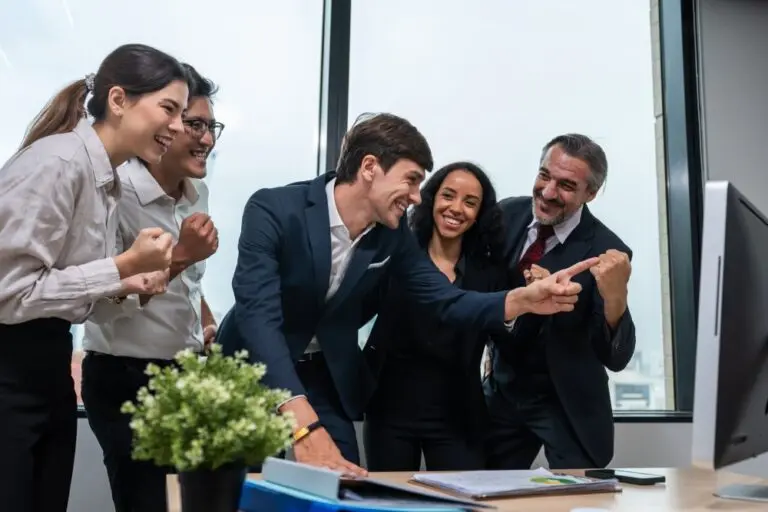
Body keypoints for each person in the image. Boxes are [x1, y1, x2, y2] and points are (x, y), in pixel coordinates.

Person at [216, 113, 600, 476]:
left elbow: (444, 299)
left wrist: (524, 299)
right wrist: (300, 423)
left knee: (342, 481)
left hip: (320, 372)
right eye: (411, 180)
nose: (418, 197)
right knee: (232, 485)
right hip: (251, 364)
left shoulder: (392, 235)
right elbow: (259, 317)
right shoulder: (275, 209)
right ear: (369, 168)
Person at [0, 43, 190, 512]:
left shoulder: (106, 178)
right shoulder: (60, 162)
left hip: (48, 365)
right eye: (169, 108)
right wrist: (123, 267)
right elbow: (8, 294)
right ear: (119, 100)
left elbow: (59, 283)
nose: (179, 127)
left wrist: (130, 283)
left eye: (183, 113)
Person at [81, 63, 222, 512]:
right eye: (194, 124)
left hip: (187, 377)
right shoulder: (116, 194)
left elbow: (186, 282)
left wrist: (204, 317)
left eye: (211, 125)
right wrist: (182, 255)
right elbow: (103, 303)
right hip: (126, 379)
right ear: (168, 126)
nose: (206, 138)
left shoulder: (193, 195)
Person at [484, 133, 636, 470]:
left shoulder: (608, 250)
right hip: (503, 391)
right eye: (544, 175)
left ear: (591, 193)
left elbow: (616, 356)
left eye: (566, 185)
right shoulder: (504, 216)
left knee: (581, 498)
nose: (548, 192)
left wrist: (616, 298)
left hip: (566, 400)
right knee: (481, 491)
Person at [362, 162, 507, 471]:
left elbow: (505, 331)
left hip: (459, 416)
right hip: (391, 410)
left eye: (470, 203)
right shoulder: (396, 254)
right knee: (391, 504)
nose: (456, 209)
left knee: (463, 502)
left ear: (480, 213)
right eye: (448, 196)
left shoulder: (490, 273)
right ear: (431, 199)